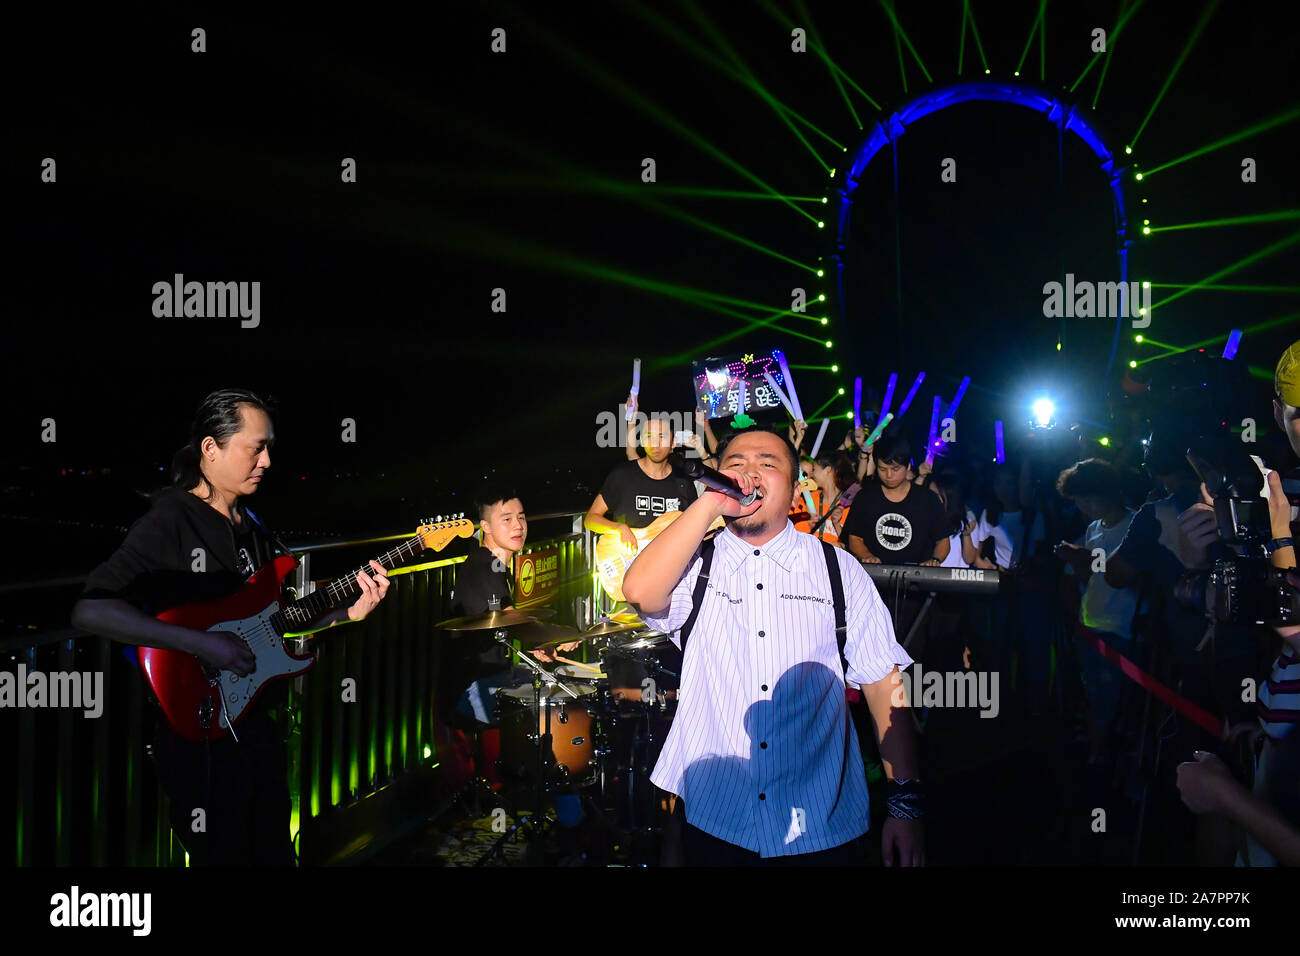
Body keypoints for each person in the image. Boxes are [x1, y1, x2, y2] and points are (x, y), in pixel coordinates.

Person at [70, 389, 391, 866]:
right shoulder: (170, 519)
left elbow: (273, 623)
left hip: (252, 724)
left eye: (269, 447)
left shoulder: (253, 526)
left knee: (275, 851)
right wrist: (201, 643)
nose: (266, 460)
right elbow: (90, 611)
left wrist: (346, 613)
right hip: (194, 733)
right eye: (255, 447)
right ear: (209, 448)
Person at [621, 428, 924, 865]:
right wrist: (710, 504)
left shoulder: (838, 570)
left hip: (820, 824)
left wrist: (905, 805)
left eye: (767, 462)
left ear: (796, 483)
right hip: (718, 818)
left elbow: (883, 686)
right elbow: (640, 590)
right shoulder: (698, 564)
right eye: (735, 464)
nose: (749, 472)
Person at [444, 485, 577, 726]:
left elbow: (508, 625)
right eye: (506, 519)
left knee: (562, 687)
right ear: (485, 527)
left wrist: (538, 641)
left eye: (521, 517)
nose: (518, 526)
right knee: (560, 706)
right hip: (473, 687)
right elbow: (515, 623)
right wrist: (564, 634)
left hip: (496, 674)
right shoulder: (483, 567)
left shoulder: (494, 564)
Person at [1052, 458, 1138, 769]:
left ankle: (1114, 763)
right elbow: (1092, 579)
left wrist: (1083, 559)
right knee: (1094, 697)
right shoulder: (1092, 529)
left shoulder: (1135, 526)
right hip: (1091, 629)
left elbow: (1128, 578)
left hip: (1122, 632)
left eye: (1090, 497)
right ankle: (1098, 757)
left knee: (1117, 705)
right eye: (1079, 501)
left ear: (1109, 492)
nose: (1086, 506)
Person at [844, 433, 949, 567]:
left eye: (895, 469)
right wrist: (867, 556)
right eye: (882, 469)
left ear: (908, 467)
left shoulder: (928, 499)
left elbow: (943, 540)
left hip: (917, 581)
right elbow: (854, 538)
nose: (889, 475)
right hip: (873, 580)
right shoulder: (865, 497)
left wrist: (935, 560)